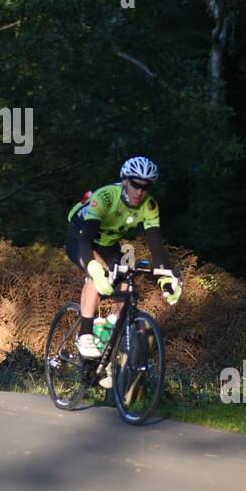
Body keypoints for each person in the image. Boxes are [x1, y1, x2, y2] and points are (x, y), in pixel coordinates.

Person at [65, 157, 182, 374]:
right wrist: (92, 267)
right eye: (135, 184)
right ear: (125, 181)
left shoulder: (149, 206)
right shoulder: (106, 197)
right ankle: (86, 335)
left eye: (145, 187)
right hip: (81, 238)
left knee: (124, 285)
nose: (140, 191)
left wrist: (166, 278)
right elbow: (86, 241)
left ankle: (107, 337)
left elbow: (157, 248)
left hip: (108, 244)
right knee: (97, 275)